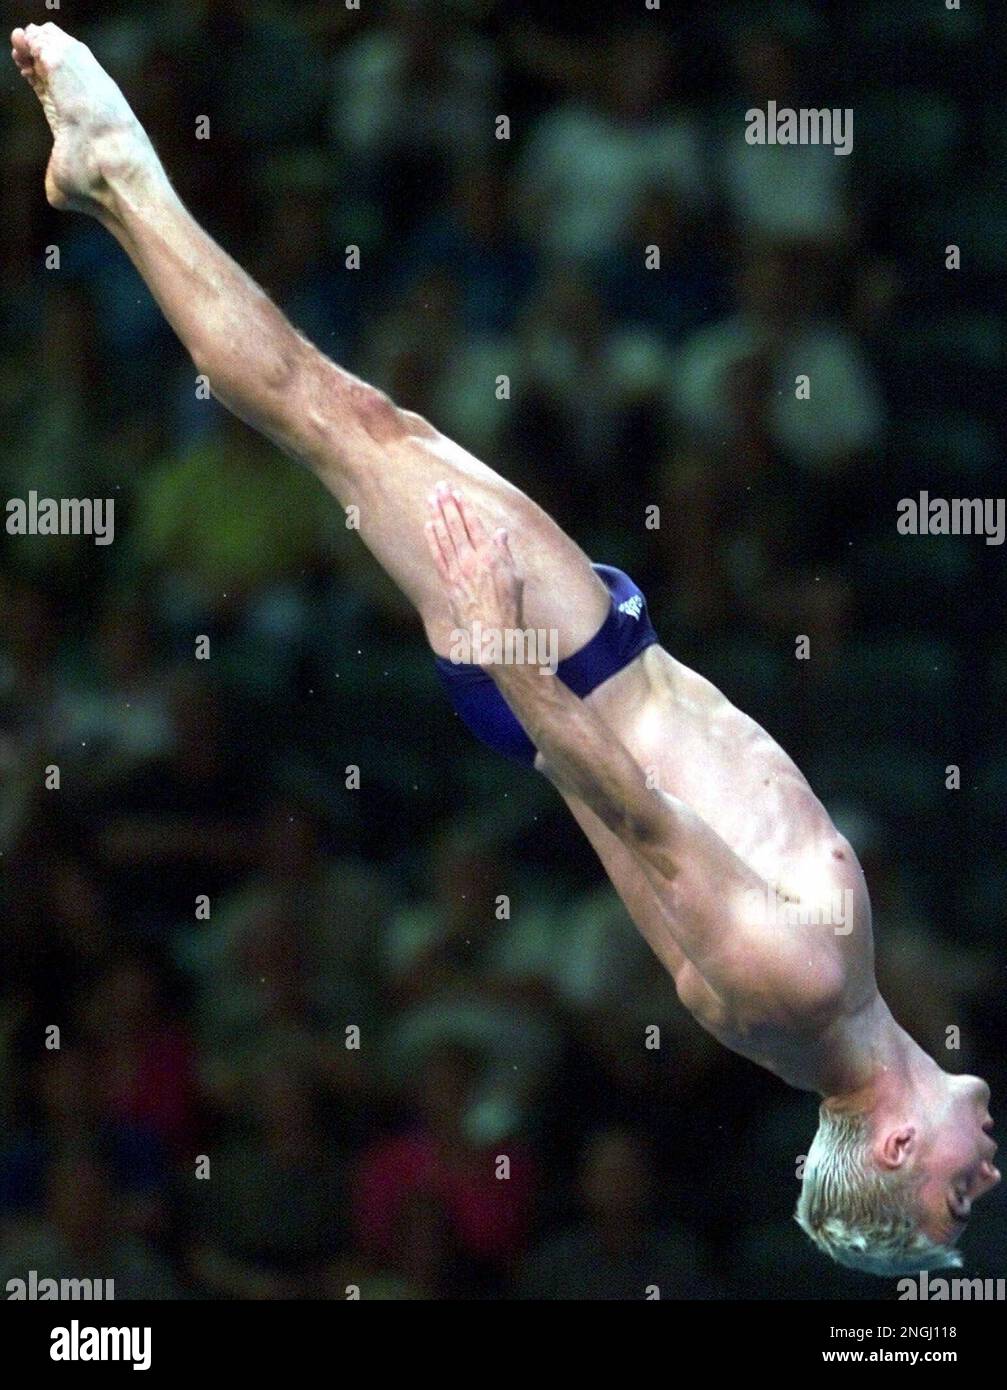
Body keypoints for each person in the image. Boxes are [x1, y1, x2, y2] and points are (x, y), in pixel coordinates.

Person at [11, 21, 998, 1276]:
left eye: (959, 1202)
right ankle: (108, 190)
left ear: (899, 1150)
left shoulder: (800, 988)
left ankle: (112, 172)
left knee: (334, 412)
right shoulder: (830, 1003)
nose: (991, 1179)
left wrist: (501, 636)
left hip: (557, 672)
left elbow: (625, 805)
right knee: (343, 418)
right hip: (580, 664)